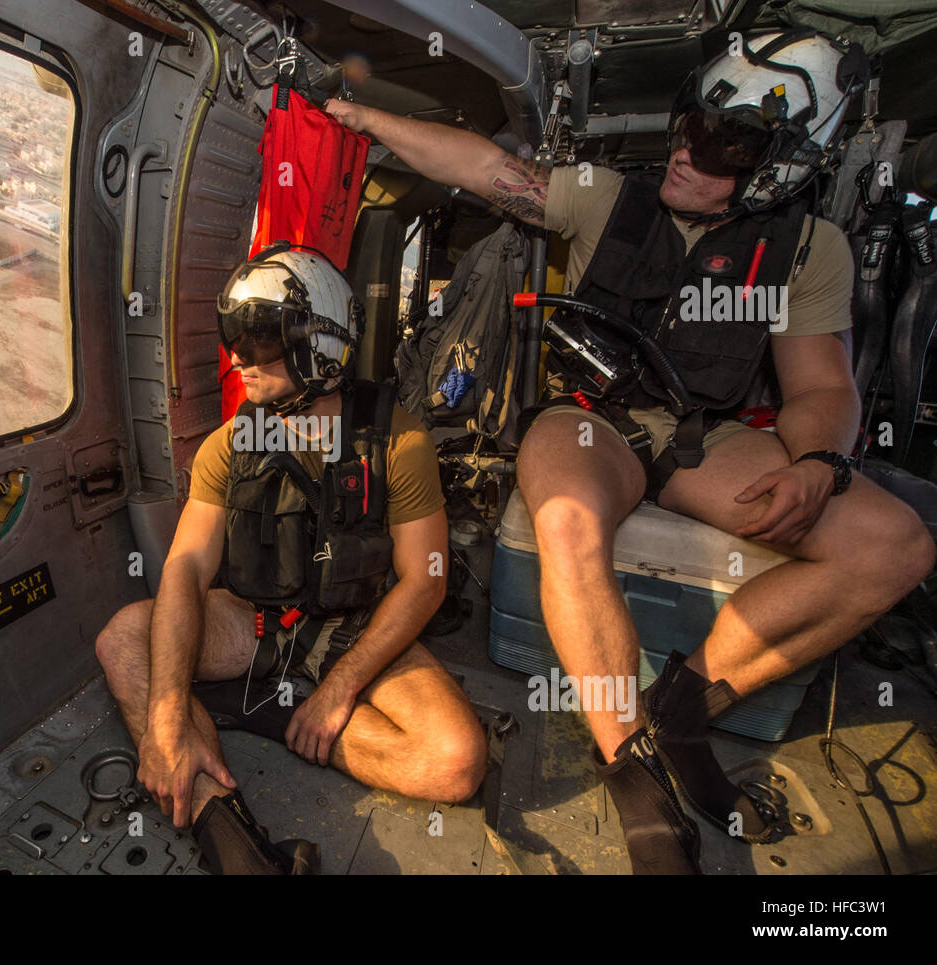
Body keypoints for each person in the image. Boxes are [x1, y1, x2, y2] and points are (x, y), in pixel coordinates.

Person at [325, 29, 935, 873]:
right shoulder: (608, 197)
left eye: (720, 145)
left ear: (781, 165)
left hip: (704, 437)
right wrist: (356, 113)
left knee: (895, 545)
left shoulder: (805, 249)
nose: (684, 154)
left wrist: (816, 465)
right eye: (688, 128)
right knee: (568, 518)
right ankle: (633, 763)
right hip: (589, 423)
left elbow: (824, 390)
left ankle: (683, 704)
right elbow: (480, 168)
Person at [95, 243, 486, 874]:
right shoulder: (229, 446)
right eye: (232, 337)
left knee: (456, 760)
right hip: (253, 621)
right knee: (122, 641)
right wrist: (168, 712)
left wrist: (338, 689)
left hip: (349, 627)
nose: (237, 358)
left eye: (256, 339)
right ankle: (227, 831)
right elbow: (187, 570)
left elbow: (425, 582)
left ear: (319, 343)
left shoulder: (399, 440)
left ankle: (263, 707)